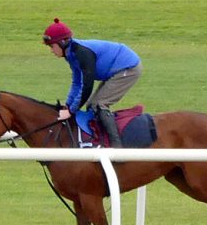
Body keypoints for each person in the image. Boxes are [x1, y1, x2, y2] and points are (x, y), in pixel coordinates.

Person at [43, 19, 141, 148]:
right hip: (116, 69)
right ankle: (100, 140)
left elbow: (87, 87)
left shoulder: (82, 53)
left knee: (100, 104)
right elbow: (77, 82)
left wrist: (72, 111)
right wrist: (67, 105)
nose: (51, 50)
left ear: (62, 42)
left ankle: (117, 146)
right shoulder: (71, 54)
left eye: (52, 46)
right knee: (91, 105)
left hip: (128, 67)